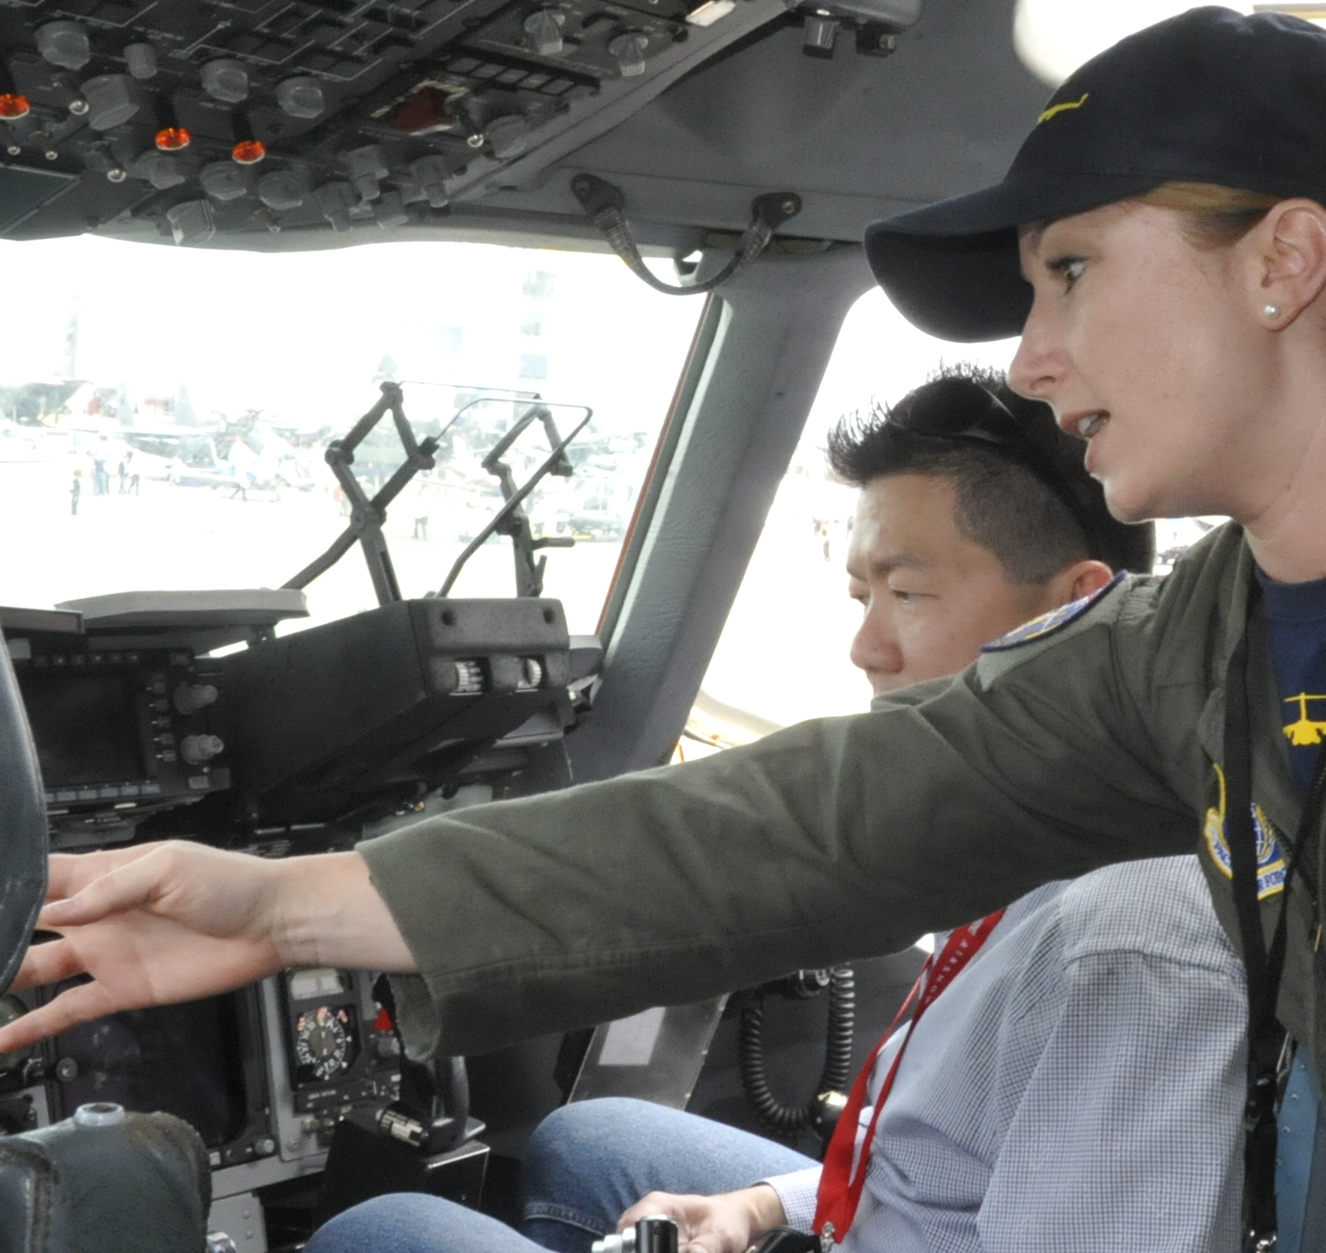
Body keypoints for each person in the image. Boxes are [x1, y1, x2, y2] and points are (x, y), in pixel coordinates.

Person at [8, 7, 1326, 1250]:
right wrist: (287, 902)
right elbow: (806, 824)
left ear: (1282, 262)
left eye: (1075, 272)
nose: (1039, 351)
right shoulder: (1232, 625)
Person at [300, 368, 1247, 1253]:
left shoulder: (1130, 941)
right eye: (861, 593)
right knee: (592, 1138)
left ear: (1073, 613)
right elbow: (952, 1157)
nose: (866, 648)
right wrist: (761, 1207)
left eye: (908, 594)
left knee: (387, 1229)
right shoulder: (1035, 836)